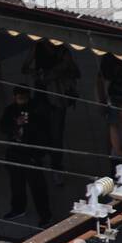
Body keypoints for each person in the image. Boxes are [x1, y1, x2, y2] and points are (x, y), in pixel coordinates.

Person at [22, 41, 79, 184]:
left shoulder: (63, 52)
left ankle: (56, 167)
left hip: (58, 98)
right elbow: (25, 67)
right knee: (40, 130)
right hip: (42, 98)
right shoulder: (37, 47)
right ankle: (40, 158)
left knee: (56, 135)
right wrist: (38, 74)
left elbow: (76, 72)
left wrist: (59, 73)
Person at [0, 85, 52, 227]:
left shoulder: (37, 110)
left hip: (32, 154)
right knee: (16, 183)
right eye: (18, 97)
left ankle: (45, 215)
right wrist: (16, 123)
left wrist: (39, 153)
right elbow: (3, 127)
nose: (21, 100)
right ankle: (18, 208)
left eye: (24, 97)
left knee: (37, 186)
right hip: (15, 152)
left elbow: (44, 132)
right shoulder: (10, 110)